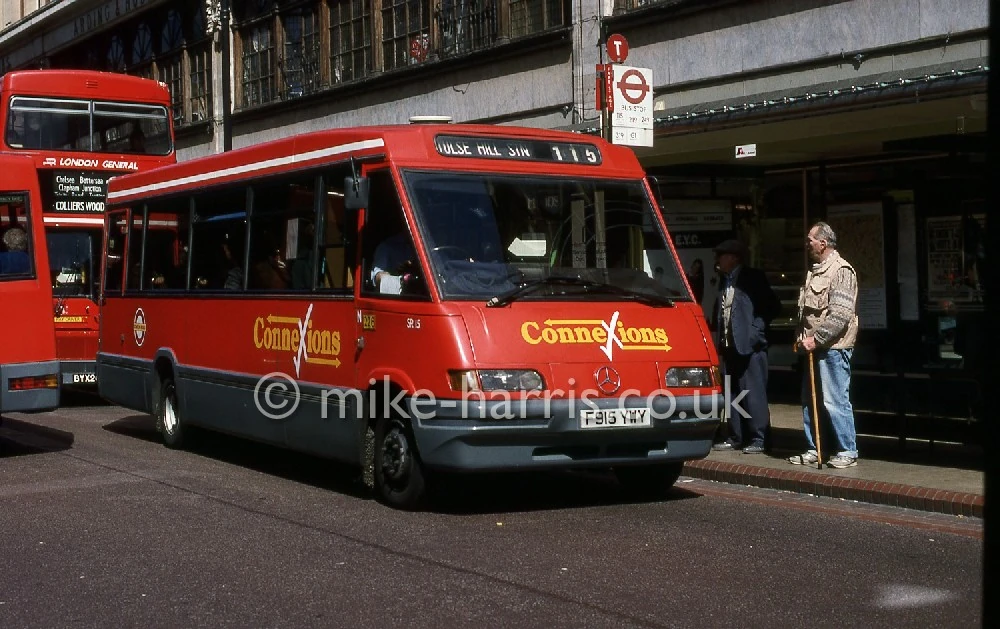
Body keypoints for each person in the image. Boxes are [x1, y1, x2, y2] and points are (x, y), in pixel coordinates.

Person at [789, 221, 860, 469]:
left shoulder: (841, 270)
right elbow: (806, 313)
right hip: (812, 348)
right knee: (811, 401)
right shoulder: (814, 270)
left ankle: (847, 450)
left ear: (823, 243)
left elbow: (840, 315)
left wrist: (816, 339)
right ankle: (814, 448)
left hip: (833, 348)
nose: (807, 243)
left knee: (834, 400)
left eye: (810, 239)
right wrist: (802, 337)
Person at [710, 239, 781, 454]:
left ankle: (759, 438)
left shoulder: (752, 278)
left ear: (733, 257)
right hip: (730, 346)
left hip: (750, 347)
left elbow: (772, 307)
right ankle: (736, 436)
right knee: (734, 394)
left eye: (721, 255)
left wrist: (755, 332)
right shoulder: (725, 280)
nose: (718, 260)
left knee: (754, 394)